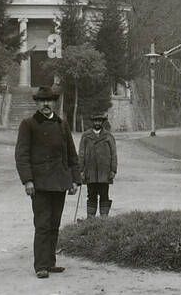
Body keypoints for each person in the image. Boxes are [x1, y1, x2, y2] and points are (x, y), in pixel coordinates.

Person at [14, 86, 80, 279]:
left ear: (54, 103)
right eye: (42, 101)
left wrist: (75, 179)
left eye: (49, 101)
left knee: (54, 224)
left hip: (59, 183)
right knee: (42, 224)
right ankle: (41, 265)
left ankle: (50, 263)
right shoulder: (28, 124)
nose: (46, 104)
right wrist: (27, 180)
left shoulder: (62, 124)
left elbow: (71, 154)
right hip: (40, 185)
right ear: (37, 103)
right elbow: (22, 155)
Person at [79, 112, 118, 218]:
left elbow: (114, 154)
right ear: (92, 122)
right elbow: (81, 154)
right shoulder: (86, 136)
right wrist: (81, 170)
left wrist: (113, 170)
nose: (97, 123)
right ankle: (90, 217)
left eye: (99, 121)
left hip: (104, 172)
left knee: (104, 194)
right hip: (90, 171)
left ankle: (104, 217)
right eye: (95, 121)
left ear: (102, 122)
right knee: (91, 194)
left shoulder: (108, 136)